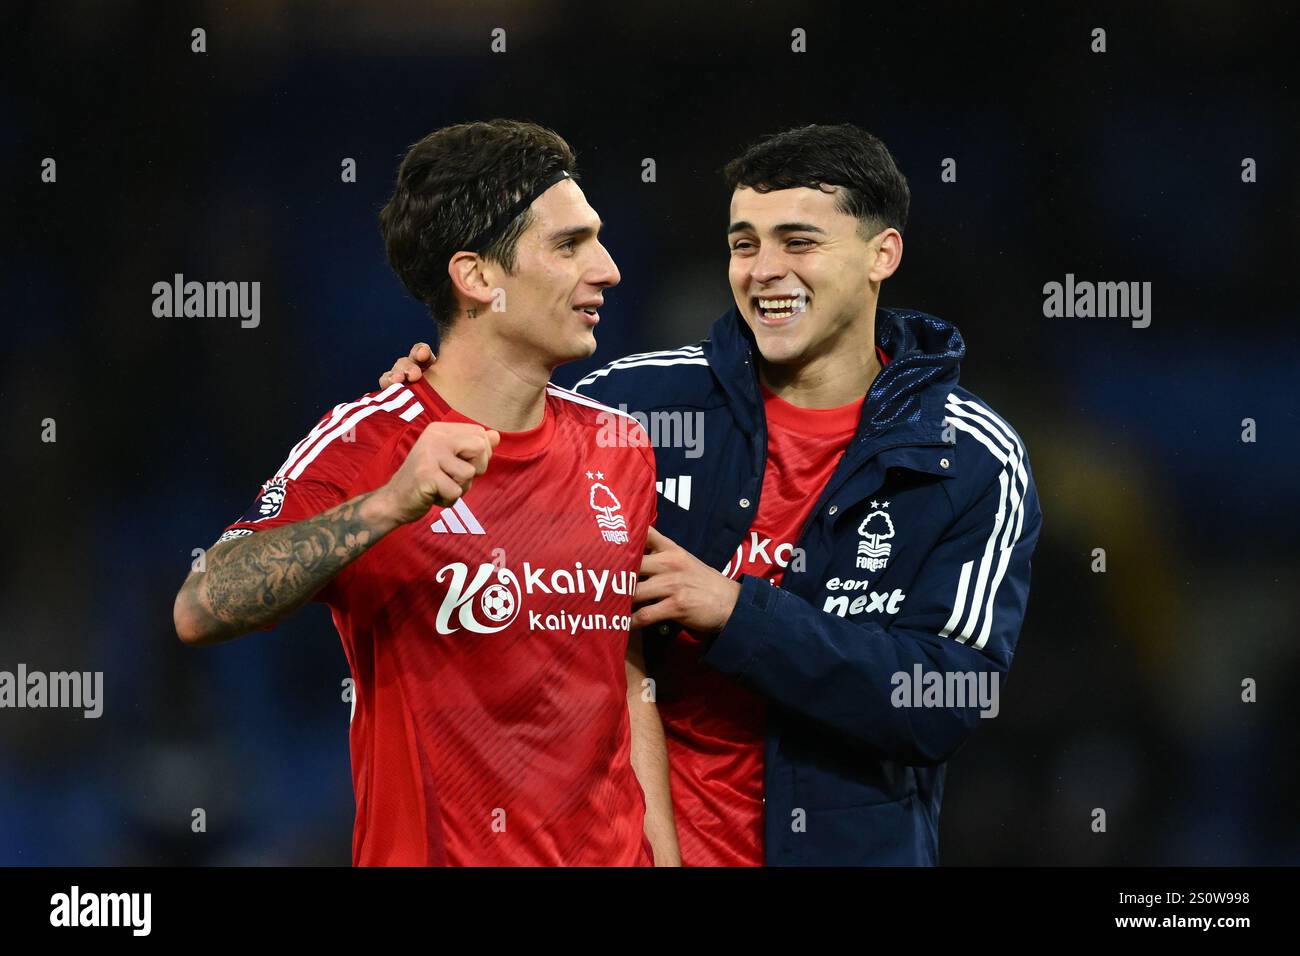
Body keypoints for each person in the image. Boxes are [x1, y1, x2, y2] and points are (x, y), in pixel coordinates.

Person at [380, 123, 1043, 866]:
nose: (764, 270)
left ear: (881, 255)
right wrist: (430, 396)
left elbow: (948, 701)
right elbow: (480, 448)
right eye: (743, 244)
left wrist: (736, 613)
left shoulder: (966, 458)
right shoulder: (632, 404)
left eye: (799, 242)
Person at [173, 119, 679, 866]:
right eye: (569, 245)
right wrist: (388, 504)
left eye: (596, 239)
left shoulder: (621, 447)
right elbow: (201, 605)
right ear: (476, 278)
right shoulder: (368, 441)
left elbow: (626, 678)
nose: (607, 268)